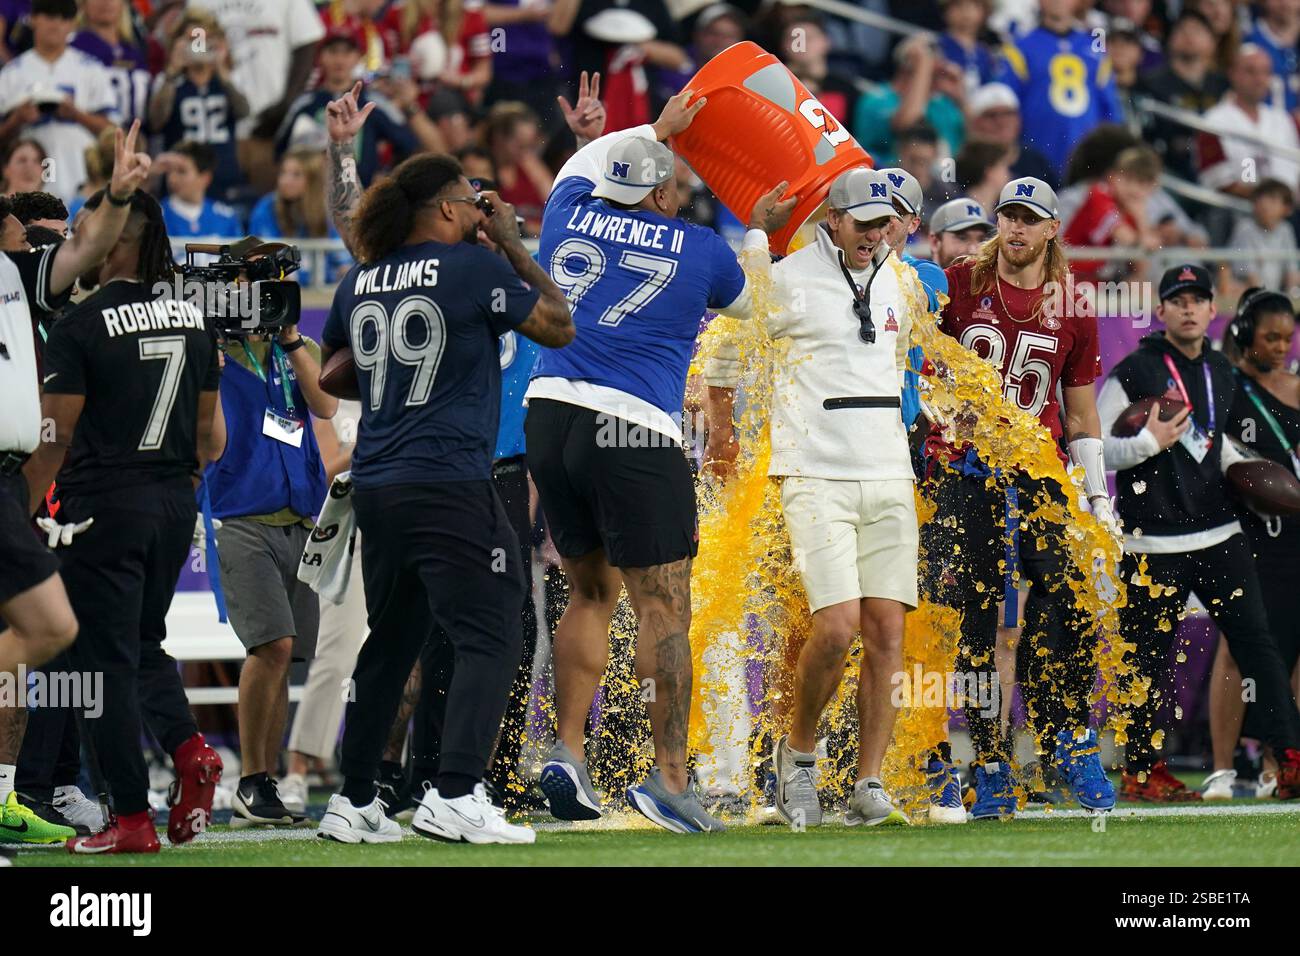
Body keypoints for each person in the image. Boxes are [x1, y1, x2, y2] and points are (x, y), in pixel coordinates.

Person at [524, 82, 794, 833]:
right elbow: (759, 309)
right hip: (635, 427)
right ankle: (670, 779)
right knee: (664, 606)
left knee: (589, 595)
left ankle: (568, 753)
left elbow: (581, 161)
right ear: (662, 196)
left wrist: (656, 128)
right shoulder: (700, 247)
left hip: (549, 415)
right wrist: (760, 234)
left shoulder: (564, 213)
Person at [315, 147, 573, 845]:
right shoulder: (472, 267)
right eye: (471, 197)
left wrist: (393, 376)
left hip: (378, 479)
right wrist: (515, 247)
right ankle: (456, 791)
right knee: (492, 628)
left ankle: (356, 797)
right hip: (450, 478)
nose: (479, 205)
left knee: (392, 641)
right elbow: (558, 323)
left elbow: (335, 372)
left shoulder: (360, 280)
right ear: (447, 208)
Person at [20, 170, 229, 851]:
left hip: (101, 505)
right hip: (173, 502)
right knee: (141, 645)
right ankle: (189, 746)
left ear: (115, 244)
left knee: (97, 665)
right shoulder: (196, 319)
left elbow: (56, 439)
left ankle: (130, 817)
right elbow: (212, 439)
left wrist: (17, 508)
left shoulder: (81, 324)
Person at [704, 167, 919, 827]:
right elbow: (727, 343)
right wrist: (721, 435)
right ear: (833, 220)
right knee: (835, 626)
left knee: (888, 629)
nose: (875, 236)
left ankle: (870, 783)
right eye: (863, 224)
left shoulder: (901, 283)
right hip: (814, 473)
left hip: (889, 471)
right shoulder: (791, 278)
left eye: (884, 224)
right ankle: (798, 757)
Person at [923, 176, 1119, 819]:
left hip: (1039, 470)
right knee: (977, 615)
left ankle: (1065, 734)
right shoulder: (958, 285)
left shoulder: (1073, 303)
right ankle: (986, 756)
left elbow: (1082, 414)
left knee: (1067, 598)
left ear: (1052, 229)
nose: (1014, 228)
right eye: (1008, 215)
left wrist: (1097, 496)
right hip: (967, 467)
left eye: (1028, 219)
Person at [1099, 268, 1300, 802]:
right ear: (1161, 312)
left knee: (1260, 647)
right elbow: (1096, 444)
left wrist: (1249, 470)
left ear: (1215, 311)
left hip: (1221, 535)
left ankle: (1290, 758)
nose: (1188, 309)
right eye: (1177, 300)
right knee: (1146, 658)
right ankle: (1142, 771)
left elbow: (1220, 445)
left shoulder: (1221, 371)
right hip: (1152, 540)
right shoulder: (1133, 369)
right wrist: (1147, 442)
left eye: (1199, 300)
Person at [0, 119, 149, 699]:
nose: (22, 232)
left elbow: (87, 246)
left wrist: (117, 194)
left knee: (51, 625)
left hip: (9, 484)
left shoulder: (18, 274)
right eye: (11, 224)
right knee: (50, 625)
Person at [202, 250, 336, 828]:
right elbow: (212, 443)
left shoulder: (287, 350)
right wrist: (209, 355)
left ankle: (265, 783)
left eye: (270, 286)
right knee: (271, 647)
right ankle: (250, 780)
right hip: (243, 519)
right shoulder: (211, 355)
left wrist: (290, 338)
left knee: (285, 657)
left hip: (299, 519)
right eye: (249, 285)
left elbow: (327, 402)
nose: (259, 296)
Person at [1208, 290, 1300, 799]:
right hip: (1247, 532)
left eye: (1287, 337)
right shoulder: (1225, 384)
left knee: (1294, 648)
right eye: (1271, 336)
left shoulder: (1296, 384)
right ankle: (1222, 770)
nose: (1282, 347)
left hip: (1296, 530)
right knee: (1238, 647)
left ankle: (1277, 763)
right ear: (1245, 335)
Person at [276, 28, 443, 188]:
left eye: (347, 52)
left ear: (358, 57)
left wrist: (389, 177)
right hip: (314, 200)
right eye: (333, 51)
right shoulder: (305, 104)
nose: (339, 60)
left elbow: (408, 144)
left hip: (362, 198)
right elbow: (281, 152)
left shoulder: (373, 103)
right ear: (321, 57)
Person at [0, 0, 114, 205]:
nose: (56, 24)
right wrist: (17, 120)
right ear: (33, 19)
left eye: (64, 18)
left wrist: (77, 115)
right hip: (29, 173)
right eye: (49, 16)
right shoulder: (11, 73)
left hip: (80, 168)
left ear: (73, 24)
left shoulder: (91, 69)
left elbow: (111, 129)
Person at [207, 0, 325, 195]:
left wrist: (286, 104)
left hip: (270, 131)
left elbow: (307, 44)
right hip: (217, 131)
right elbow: (194, 43)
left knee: (273, 211)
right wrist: (207, 51)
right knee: (213, 217)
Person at [996, 0, 1123, 180]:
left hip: (1086, 156)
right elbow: (1007, 105)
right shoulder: (1018, 48)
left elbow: (1110, 110)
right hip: (1035, 151)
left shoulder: (1095, 49)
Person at [147, 9, 248, 207]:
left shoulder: (229, 79)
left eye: (206, 39)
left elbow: (243, 112)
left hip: (224, 176)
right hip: (180, 181)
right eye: (192, 39)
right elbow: (155, 122)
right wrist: (172, 71)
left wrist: (221, 69)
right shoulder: (167, 81)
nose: (199, 46)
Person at [248, 148, 352, 286]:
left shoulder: (331, 213)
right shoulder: (266, 209)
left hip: (323, 295)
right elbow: (257, 259)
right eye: (283, 173)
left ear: (313, 181)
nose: (285, 181)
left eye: (296, 175)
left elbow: (344, 265)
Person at [69, 0, 151, 129]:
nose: (106, 2)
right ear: (83, 4)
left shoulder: (135, 51)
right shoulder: (73, 48)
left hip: (134, 140)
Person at [926, 196, 994, 269]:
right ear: (935, 242)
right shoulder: (917, 278)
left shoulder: (991, 278)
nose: (974, 251)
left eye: (981, 240)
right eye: (962, 238)